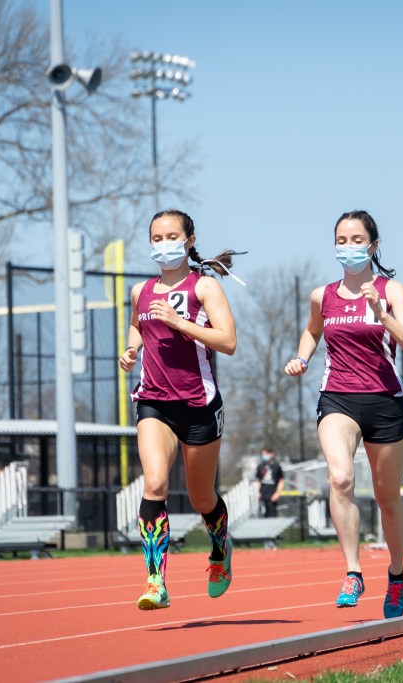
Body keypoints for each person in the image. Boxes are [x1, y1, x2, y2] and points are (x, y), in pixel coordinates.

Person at [285, 210, 403, 619]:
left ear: (373, 245)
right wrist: (301, 358)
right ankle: (352, 571)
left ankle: (396, 575)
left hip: (384, 400)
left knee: (387, 497)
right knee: (341, 477)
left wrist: (383, 315)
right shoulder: (322, 295)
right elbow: (313, 330)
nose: (349, 247)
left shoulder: (391, 290)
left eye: (357, 239)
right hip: (338, 398)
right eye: (341, 240)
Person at [119, 209, 242, 610]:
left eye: (171, 236)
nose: (163, 243)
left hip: (199, 404)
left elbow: (227, 341)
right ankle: (156, 582)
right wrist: (132, 349)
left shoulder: (204, 287)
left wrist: (180, 323)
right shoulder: (141, 291)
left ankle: (220, 544)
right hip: (154, 399)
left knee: (201, 497)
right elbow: (139, 323)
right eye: (156, 237)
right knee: (154, 483)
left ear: (189, 240)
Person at [254, 447, 284, 518]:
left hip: (273, 495)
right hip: (263, 495)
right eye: (263, 454)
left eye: (266, 454)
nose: (264, 456)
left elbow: (281, 481)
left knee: (272, 515)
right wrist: (258, 492)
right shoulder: (260, 466)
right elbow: (258, 480)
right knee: (263, 515)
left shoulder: (277, 467)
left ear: (272, 454)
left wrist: (277, 493)